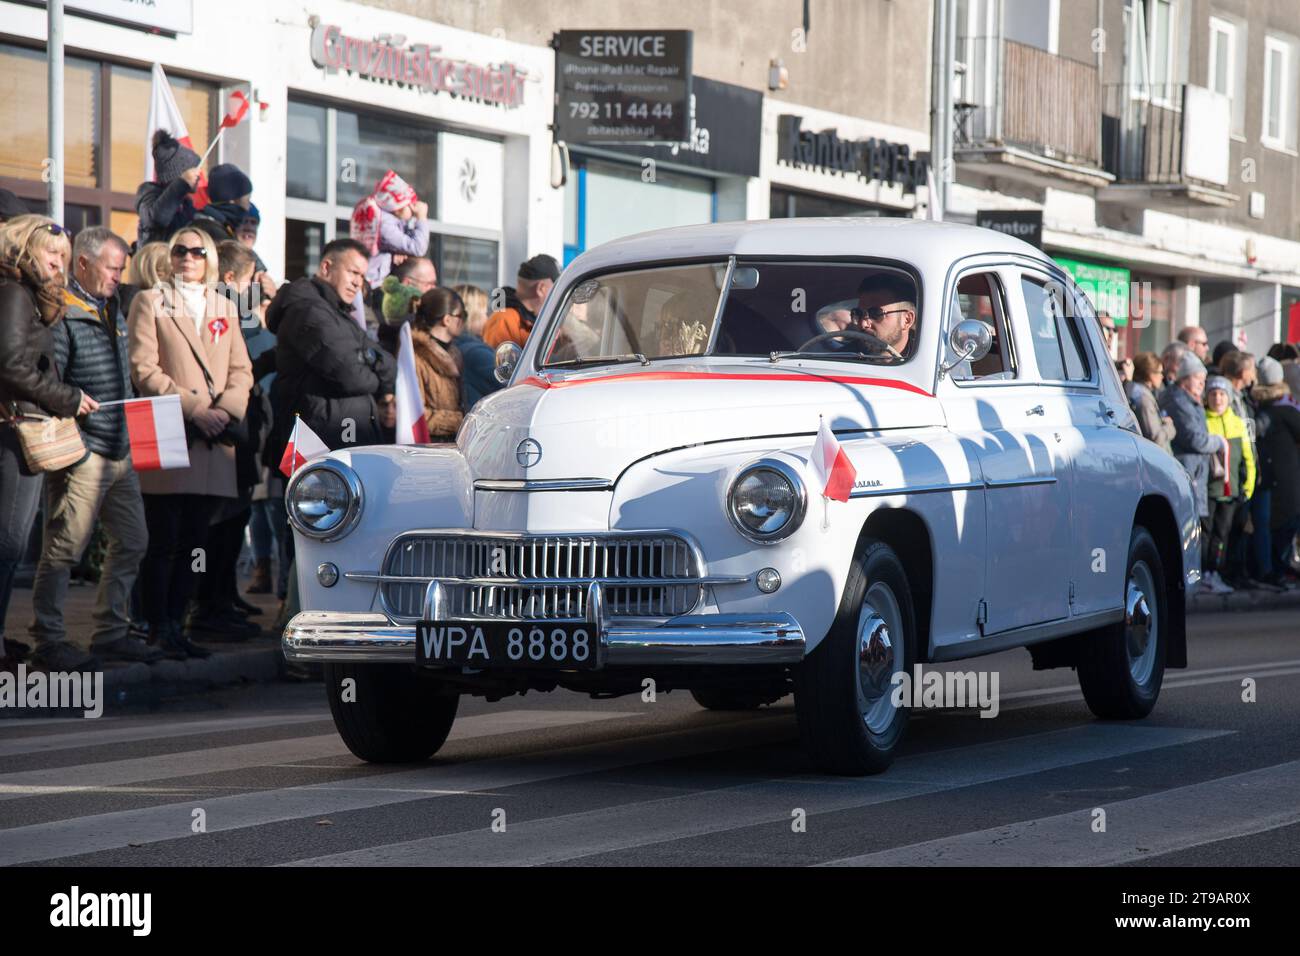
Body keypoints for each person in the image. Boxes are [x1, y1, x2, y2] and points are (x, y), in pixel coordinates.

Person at [28, 226, 161, 666]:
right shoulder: (61, 313)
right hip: (84, 451)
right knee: (65, 547)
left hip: (121, 451)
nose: (118, 276)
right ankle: (48, 638)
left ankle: (110, 630)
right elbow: (50, 382)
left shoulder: (112, 308)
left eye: (122, 268)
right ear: (82, 264)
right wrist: (78, 428)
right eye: (111, 267)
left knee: (134, 540)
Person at [128, 227, 253, 659]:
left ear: (210, 259)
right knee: (163, 538)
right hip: (168, 428)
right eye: (180, 250)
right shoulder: (150, 301)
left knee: (197, 541)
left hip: (213, 437)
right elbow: (144, 369)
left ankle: (179, 624)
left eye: (197, 252)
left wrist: (225, 411)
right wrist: (194, 407)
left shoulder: (225, 307)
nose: (187, 258)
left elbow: (242, 370)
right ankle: (155, 625)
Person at [0, 216, 96, 671]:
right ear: (24, 249)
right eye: (50, 254)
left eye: (62, 255)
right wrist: (68, 398)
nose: (59, 263)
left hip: (19, 427)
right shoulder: (15, 292)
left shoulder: (21, 291)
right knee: (8, 543)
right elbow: (11, 367)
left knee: (11, 544)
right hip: (14, 432)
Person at [184, 240, 269, 639]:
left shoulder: (235, 311)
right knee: (217, 526)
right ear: (232, 278)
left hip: (239, 430)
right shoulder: (221, 311)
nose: (256, 289)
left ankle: (221, 598)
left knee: (233, 521)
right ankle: (207, 605)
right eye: (251, 281)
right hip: (224, 430)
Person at [265, 238, 397, 467]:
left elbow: (389, 364)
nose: (358, 283)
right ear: (326, 267)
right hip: (318, 443)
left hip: (337, 436)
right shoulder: (308, 310)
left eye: (362, 276)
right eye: (353, 272)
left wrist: (368, 358)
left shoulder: (336, 311)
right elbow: (351, 376)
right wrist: (373, 367)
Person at [349, 171, 430, 332]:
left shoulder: (387, 221)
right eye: (410, 204)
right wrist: (421, 218)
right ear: (397, 205)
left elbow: (406, 244)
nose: (413, 209)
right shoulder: (385, 223)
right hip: (372, 287)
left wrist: (395, 252)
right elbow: (418, 247)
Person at [1203, 375, 1255, 594]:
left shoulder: (1237, 423)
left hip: (1230, 491)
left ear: (1229, 398)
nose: (1218, 398)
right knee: (1205, 533)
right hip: (1208, 490)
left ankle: (1215, 572)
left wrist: (1248, 486)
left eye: (1222, 394)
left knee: (1221, 534)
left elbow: (1248, 459)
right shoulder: (1203, 420)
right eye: (1213, 394)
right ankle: (1203, 572)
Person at [1252, 356, 1300, 587]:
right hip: (1284, 476)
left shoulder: (1261, 406)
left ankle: (1279, 565)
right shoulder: (1286, 410)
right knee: (1285, 522)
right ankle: (1278, 566)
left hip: (1271, 474)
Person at [1160, 351, 1220, 532]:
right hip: (1187, 474)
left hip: (1196, 475)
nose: (1202, 383)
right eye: (1197, 378)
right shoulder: (1177, 401)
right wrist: (1219, 442)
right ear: (1184, 379)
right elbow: (1195, 439)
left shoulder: (1191, 400)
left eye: (1204, 378)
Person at [410, 288, 466, 442]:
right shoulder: (415, 356)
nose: (464, 321)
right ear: (447, 320)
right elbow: (416, 416)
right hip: (428, 449)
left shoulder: (455, 353)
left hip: (453, 445)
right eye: (462, 315)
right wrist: (461, 421)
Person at [135, 130, 201, 248]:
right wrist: (182, 184)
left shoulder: (187, 205)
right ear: (177, 174)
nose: (198, 175)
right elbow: (158, 217)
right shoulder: (148, 194)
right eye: (193, 169)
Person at [483, 254, 560, 350]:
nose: (558, 294)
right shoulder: (503, 320)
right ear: (541, 289)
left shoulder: (536, 320)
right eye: (557, 287)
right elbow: (498, 363)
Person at [451, 283, 501, 410]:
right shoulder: (476, 353)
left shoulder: (453, 345)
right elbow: (512, 388)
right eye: (484, 313)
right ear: (473, 315)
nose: (487, 317)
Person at [376, 255, 437, 356]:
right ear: (407, 284)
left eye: (435, 284)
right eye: (429, 284)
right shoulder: (383, 316)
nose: (434, 289)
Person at [851, 273, 917, 360]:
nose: (863, 324)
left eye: (875, 313)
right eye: (858, 313)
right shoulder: (841, 359)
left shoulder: (928, 363)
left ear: (907, 320)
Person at [1128, 352, 1175, 454]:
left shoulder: (1137, 392)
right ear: (1150, 374)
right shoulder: (1144, 399)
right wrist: (1169, 427)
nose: (1162, 377)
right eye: (1160, 372)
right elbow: (1155, 439)